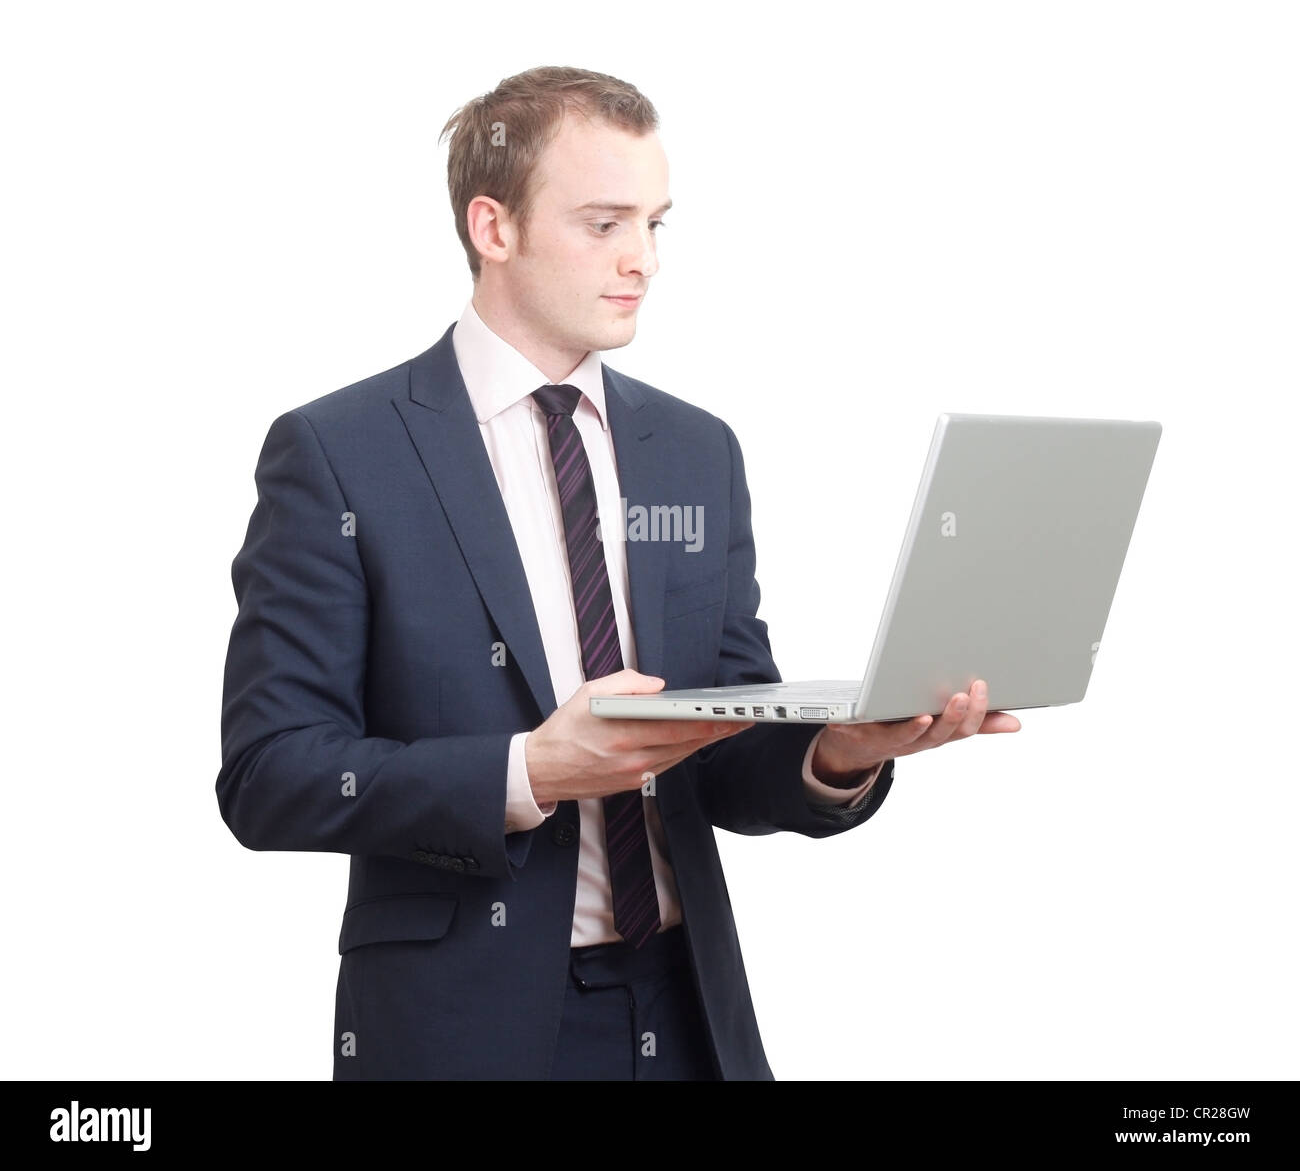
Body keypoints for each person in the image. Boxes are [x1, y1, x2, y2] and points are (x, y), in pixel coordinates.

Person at [216, 65, 1020, 1081]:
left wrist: (844, 749)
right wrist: (530, 771)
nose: (640, 259)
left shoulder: (693, 449)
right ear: (492, 228)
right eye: (603, 225)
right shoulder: (341, 453)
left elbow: (722, 751)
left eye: (655, 224)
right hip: (463, 1025)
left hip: (687, 1010)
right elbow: (271, 776)